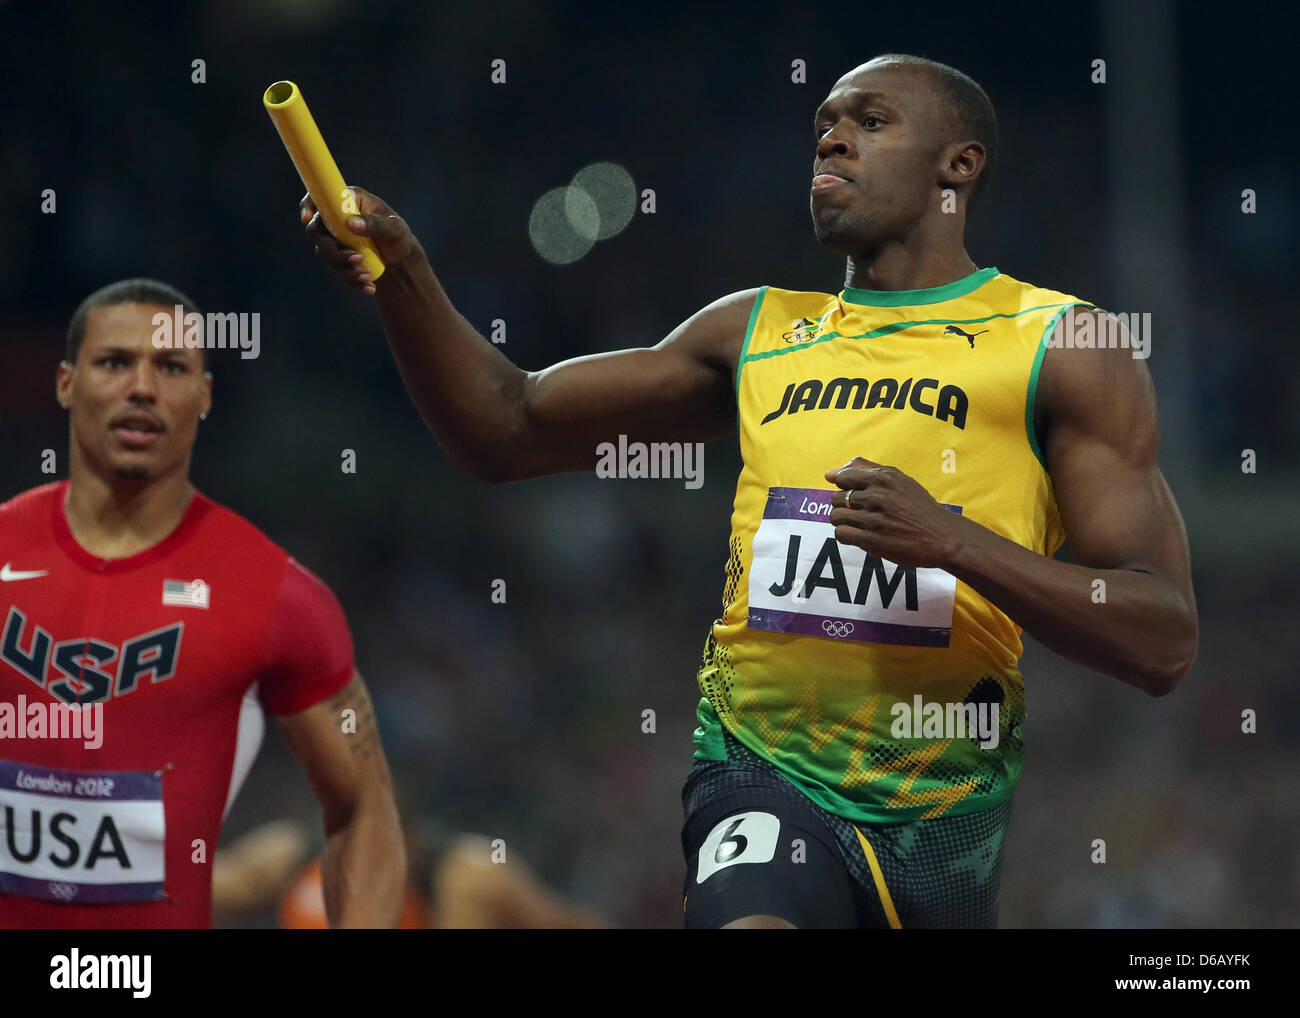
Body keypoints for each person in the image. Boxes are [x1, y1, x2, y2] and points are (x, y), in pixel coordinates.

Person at [299, 53, 1198, 929]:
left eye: (869, 122)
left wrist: (955, 544)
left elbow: (1162, 638)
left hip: (943, 817)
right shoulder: (757, 331)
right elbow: (506, 427)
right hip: (758, 771)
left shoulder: (1061, 343)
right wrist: (404, 270)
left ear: (957, 167)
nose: (832, 142)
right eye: (824, 129)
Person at [0, 279, 405, 928]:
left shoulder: (277, 596)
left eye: (171, 367)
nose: (142, 387)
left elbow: (363, 808)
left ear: (205, 396)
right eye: (114, 362)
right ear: (65, 383)